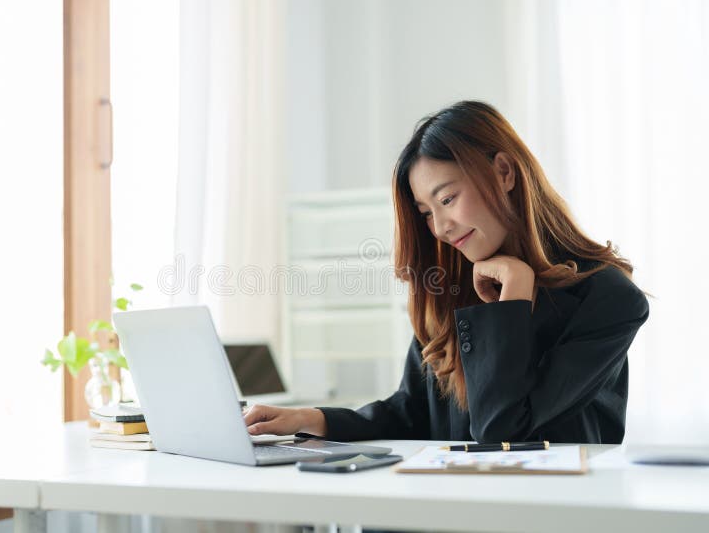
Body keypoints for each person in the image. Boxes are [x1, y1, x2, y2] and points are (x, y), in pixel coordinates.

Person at [244, 100, 650, 444]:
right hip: (449, 504)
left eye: (448, 199)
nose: (439, 227)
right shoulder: (452, 288)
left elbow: (503, 434)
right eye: (426, 213)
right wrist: (312, 418)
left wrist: (514, 296)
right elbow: (411, 410)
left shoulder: (607, 298)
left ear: (505, 172)